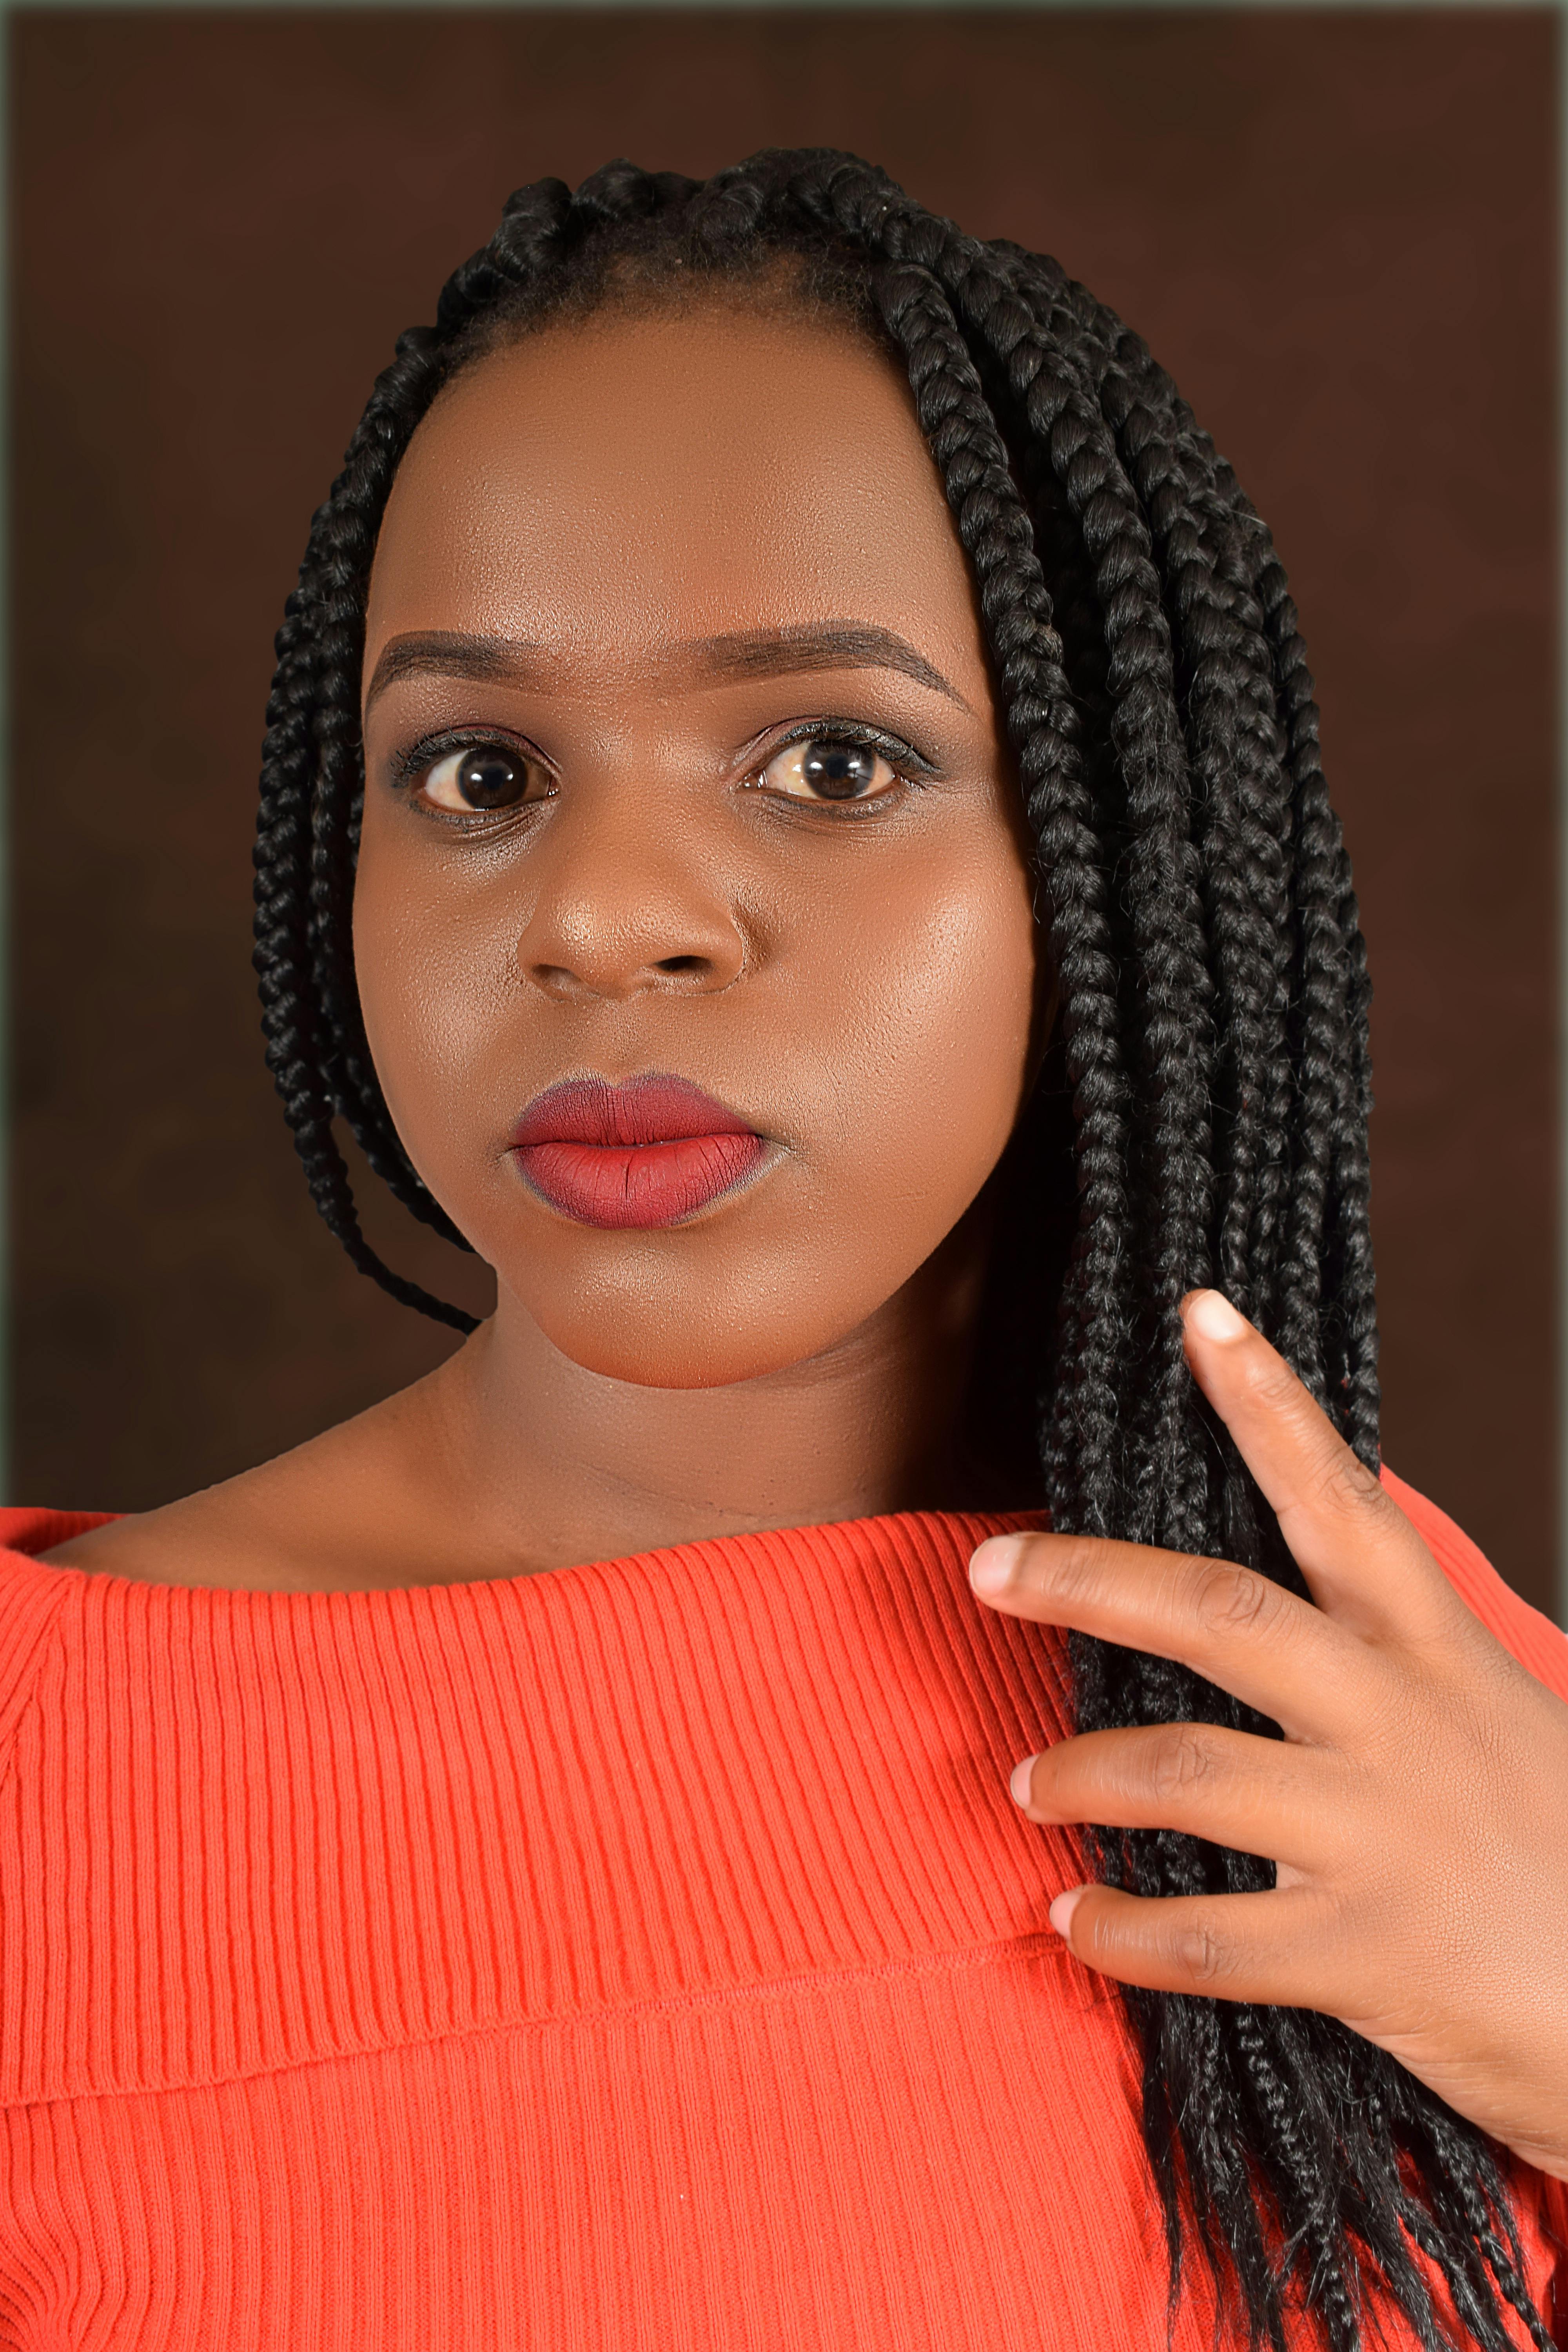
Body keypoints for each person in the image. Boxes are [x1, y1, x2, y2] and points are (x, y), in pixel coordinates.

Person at [2, 150, 1564, 2352]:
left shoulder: (1402, 1702)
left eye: (834, 759)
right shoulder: (42, 1785)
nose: (602, 916)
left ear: (1119, 876)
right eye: (476, 774)